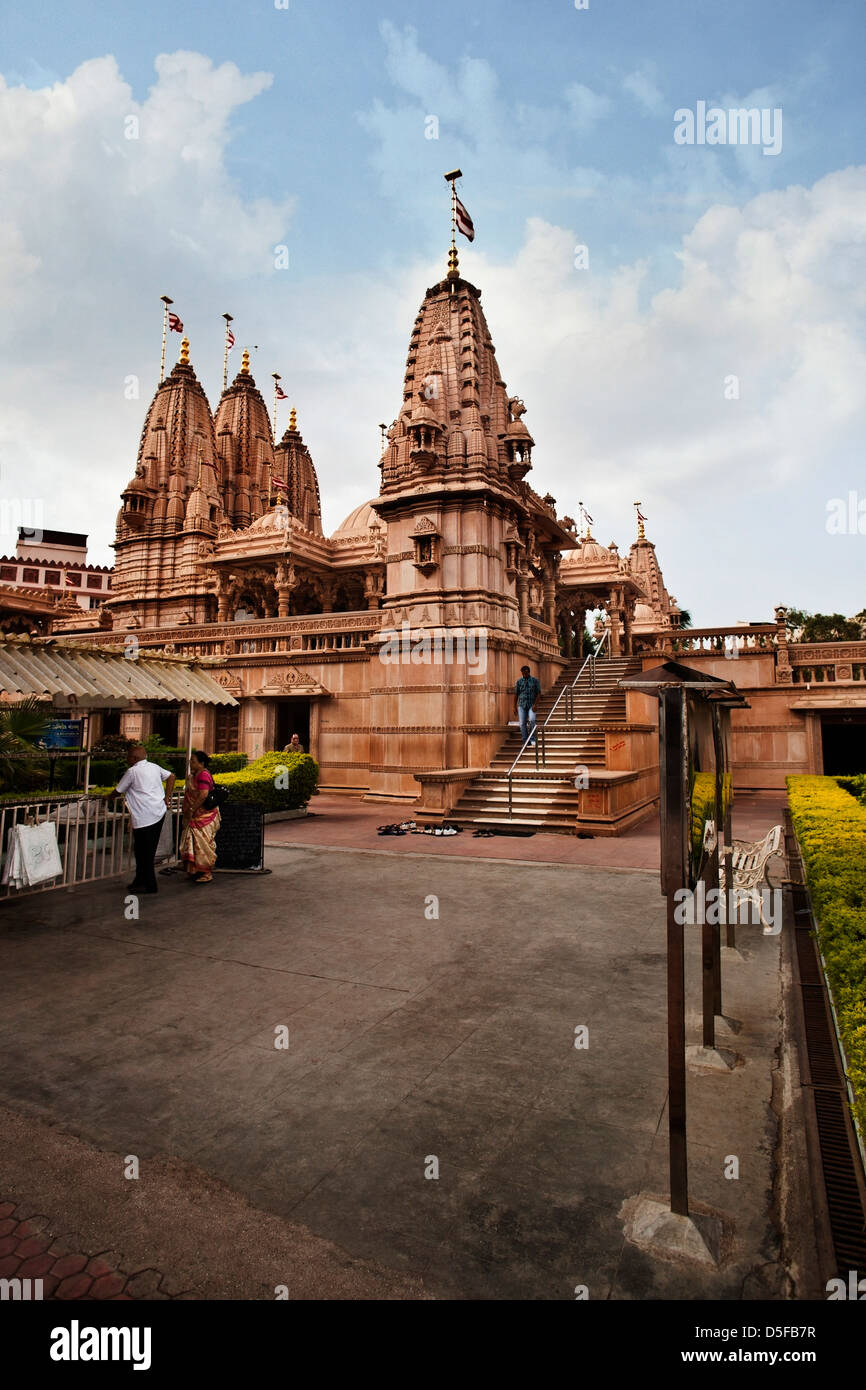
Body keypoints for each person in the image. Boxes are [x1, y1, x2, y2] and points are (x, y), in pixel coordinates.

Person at [109, 743, 175, 895]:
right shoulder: (154, 767)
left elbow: (118, 790)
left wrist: (108, 797)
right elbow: (171, 776)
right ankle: (139, 880)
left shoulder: (132, 772)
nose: (127, 759)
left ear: (134, 758)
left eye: (128, 757)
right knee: (144, 851)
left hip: (144, 816)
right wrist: (167, 797)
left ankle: (150, 885)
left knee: (144, 852)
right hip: (158, 813)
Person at [179, 750, 220, 884]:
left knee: (203, 845)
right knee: (191, 843)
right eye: (191, 760)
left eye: (193, 761)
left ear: (201, 763)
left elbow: (203, 794)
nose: (190, 763)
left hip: (204, 816)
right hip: (194, 816)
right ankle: (194, 870)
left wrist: (192, 809)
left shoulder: (203, 775)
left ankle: (206, 872)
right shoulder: (193, 775)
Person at [514, 664, 541, 747]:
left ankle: (533, 739)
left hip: (531, 705)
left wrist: (535, 705)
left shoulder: (535, 681)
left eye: (525, 673)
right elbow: (516, 694)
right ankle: (526, 741)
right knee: (522, 723)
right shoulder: (519, 682)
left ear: (529, 672)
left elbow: (539, 693)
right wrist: (514, 706)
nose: (524, 675)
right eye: (523, 673)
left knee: (532, 720)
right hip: (521, 705)